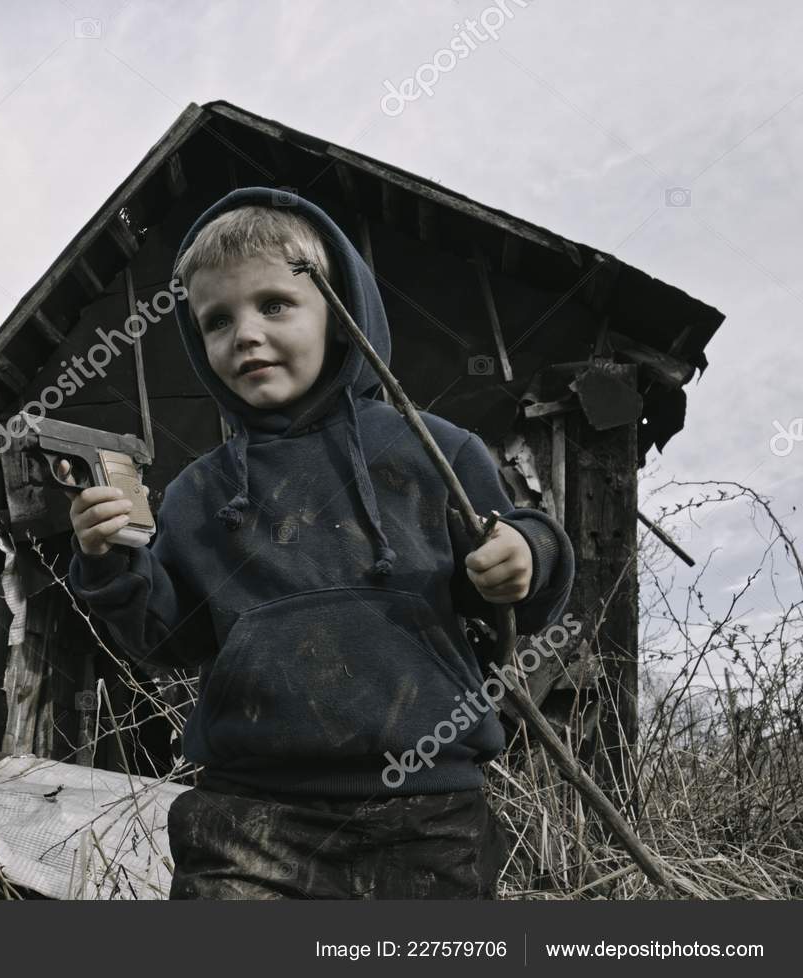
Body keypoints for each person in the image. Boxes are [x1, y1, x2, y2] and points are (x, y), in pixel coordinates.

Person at [66, 187, 575, 899]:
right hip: (249, 814)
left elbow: (514, 564)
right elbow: (164, 640)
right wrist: (110, 557)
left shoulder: (433, 450)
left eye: (274, 304)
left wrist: (526, 557)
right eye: (217, 320)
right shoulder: (197, 494)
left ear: (341, 317)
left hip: (427, 806)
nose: (244, 334)